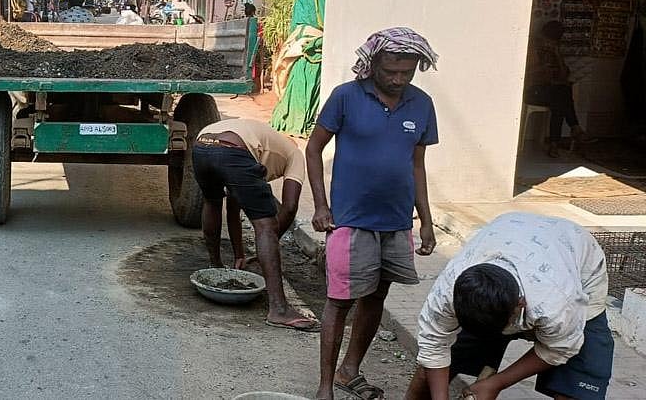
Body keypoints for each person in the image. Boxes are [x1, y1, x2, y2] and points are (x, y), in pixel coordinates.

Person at [306, 27, 441, 400]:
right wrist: (320, 204)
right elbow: (314, 149)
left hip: (396, 222)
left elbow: (417, 166)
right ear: (373, 65)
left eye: (407, 73)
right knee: (339, 300)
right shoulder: (346, 97)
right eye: (390, 72)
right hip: (349, 220)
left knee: (376, 296)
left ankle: (351, 371)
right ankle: (325, 386)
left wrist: (425, 220)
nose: (398, 79)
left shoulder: (422, 104)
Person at [406, 212, 612, 400]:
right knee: (429, 372)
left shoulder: (557, 302)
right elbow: (434, 346)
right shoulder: (448, 291)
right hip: (511, 232)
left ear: (520, 304)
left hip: (576, 258)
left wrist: (496, 383)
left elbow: (559, 348)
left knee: (577, 393)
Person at [194, 118, 321, 332]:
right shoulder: (294, 154)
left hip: (202, 144)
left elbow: (233, 206)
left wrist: (240, 255)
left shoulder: (261, 141)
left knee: (212, 202)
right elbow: (289, 207)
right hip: (233, 148)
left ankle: (215, 266)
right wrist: (271, 239)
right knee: (265, 225)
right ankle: (279, 310)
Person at [526, 20, 592, 157]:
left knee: (561, 97)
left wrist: (557, 55)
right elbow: (526, 75)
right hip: (534, 91)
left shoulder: (554, 52)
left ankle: (554, 143)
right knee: (562, 95)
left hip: (551, 92)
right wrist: (542, 68)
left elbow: (564, 76)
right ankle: (574, 128)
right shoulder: (532, 50)